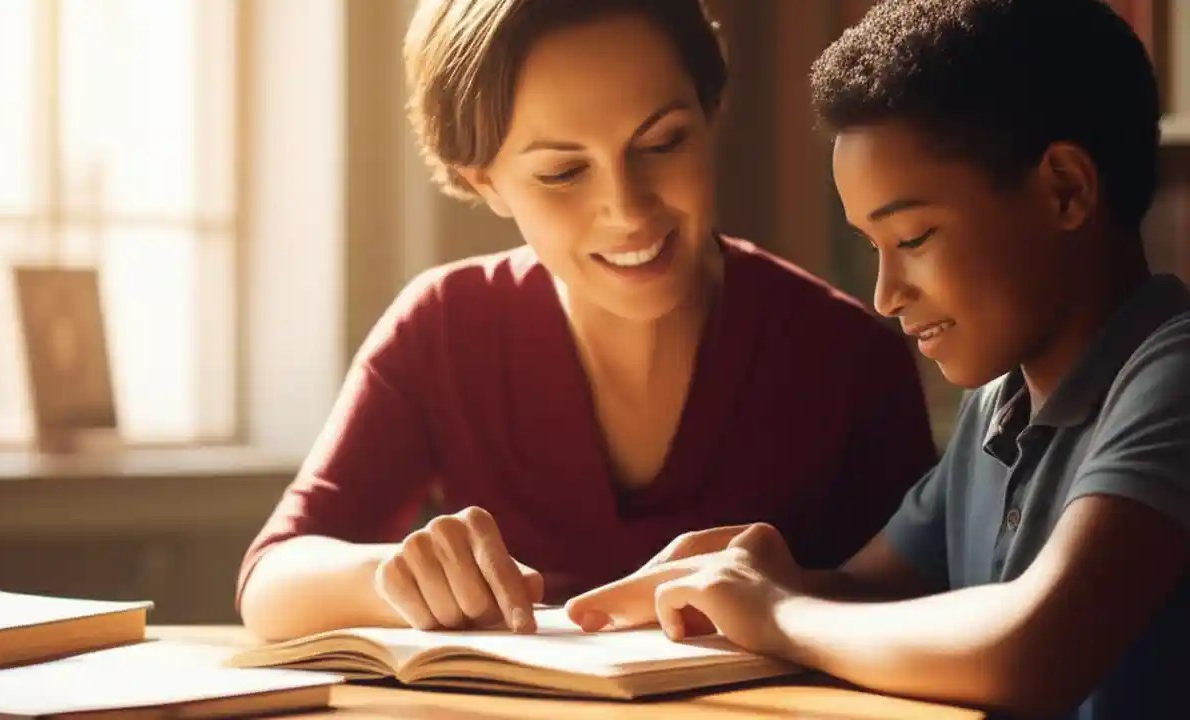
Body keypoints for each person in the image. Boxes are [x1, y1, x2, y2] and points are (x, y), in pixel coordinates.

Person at [236, 0, 935, 642]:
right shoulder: (445, 330)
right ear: (484, 181)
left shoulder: (845, 354)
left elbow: (931, 610)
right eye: (564, 174)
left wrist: (796, 598)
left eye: (662, 144)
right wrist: (392, 577)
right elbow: (271, 579)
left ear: (710, 110)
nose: (627, 209)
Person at [565, 1, 1190, 717]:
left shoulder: (1173, 376)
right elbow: (876, 593)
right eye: (873, 247)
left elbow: (1032, 649)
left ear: (1065, 190)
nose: (886, 295)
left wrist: (775, 612)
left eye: (914, 238)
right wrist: (756, 575)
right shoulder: (1002, 404)